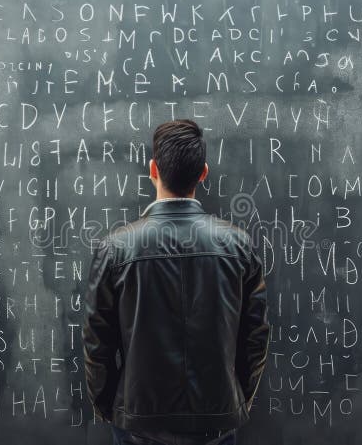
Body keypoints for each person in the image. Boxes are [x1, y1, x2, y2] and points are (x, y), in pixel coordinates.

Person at [82, 119, 270, 445]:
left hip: (138, 423)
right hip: (216, 420)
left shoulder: (116, 249)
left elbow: (97, 343)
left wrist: (115, 408)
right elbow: (255, 337)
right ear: (203, 173)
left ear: (153, 169)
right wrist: (232, 400)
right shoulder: (238, 246)